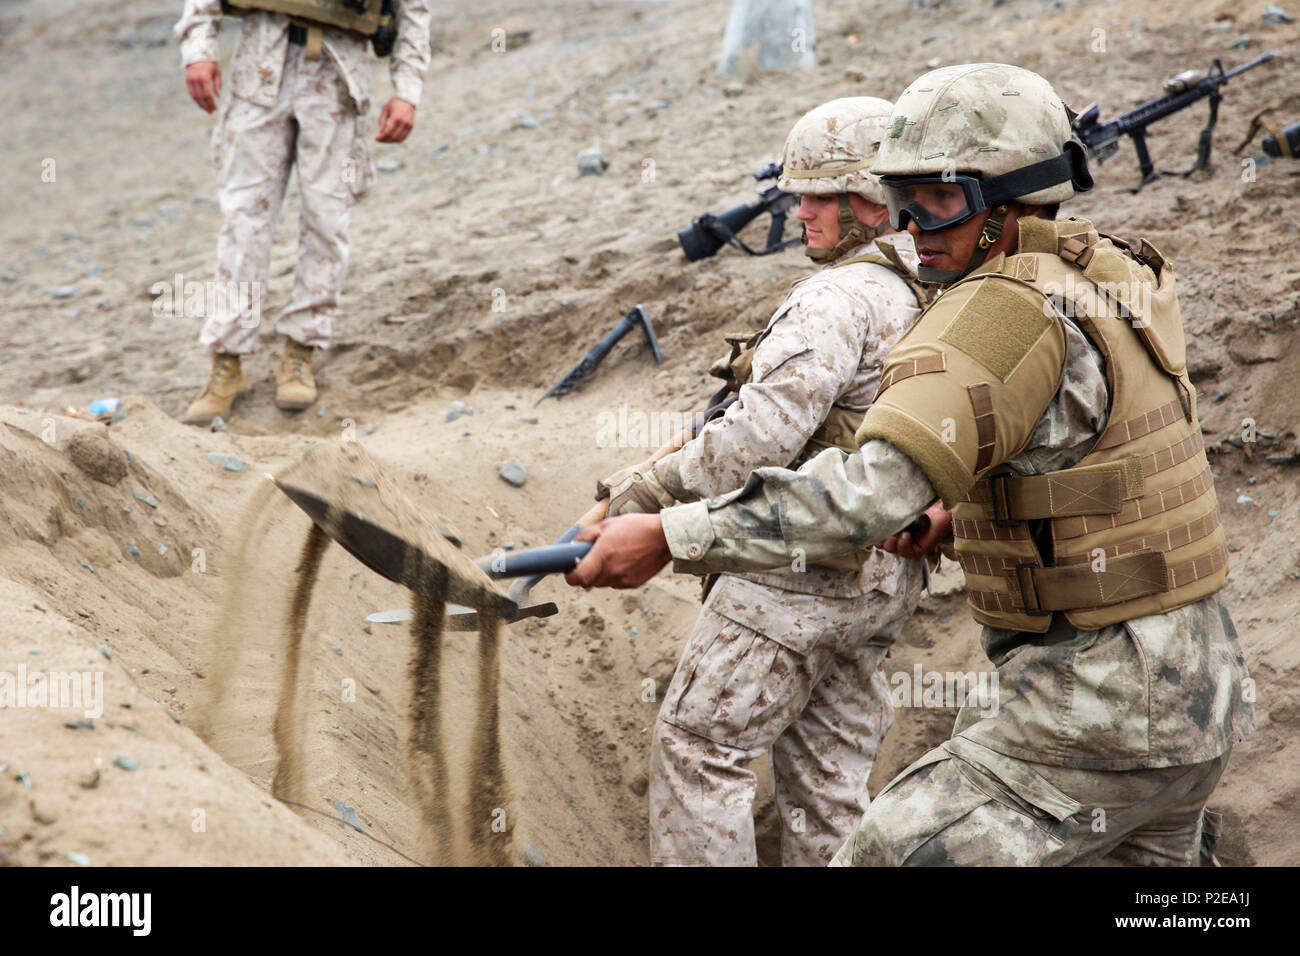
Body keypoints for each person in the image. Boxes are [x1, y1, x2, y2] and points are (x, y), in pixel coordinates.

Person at [567, 63, 1254, 866]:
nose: (914, 226)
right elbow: (1098, 458)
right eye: (899, 202)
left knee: (886, 851)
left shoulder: (996, 311)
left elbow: (863, 496)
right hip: (1201, 701)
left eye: (941, 201)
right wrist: (957, 514)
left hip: (1093, 708)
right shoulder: (1111, 272)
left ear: (1012, 197)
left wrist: (671, 533)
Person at [595, 97, 931, 866]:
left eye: (818, 194)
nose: (799, 208)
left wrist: (643, 497)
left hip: (796, 568)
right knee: (830, 782)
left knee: (699, 749)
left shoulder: (835, 299)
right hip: (886, 575)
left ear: (872, 203)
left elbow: (748, 445)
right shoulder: (941, 289)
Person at [174, 0, 432, 424]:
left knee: (326, 221)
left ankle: (301, 351)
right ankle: (227, 360)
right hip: (260, 66)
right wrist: (199, 51)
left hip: (338, 76)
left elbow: (415, 9)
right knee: (244, 220)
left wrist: (407, 91)